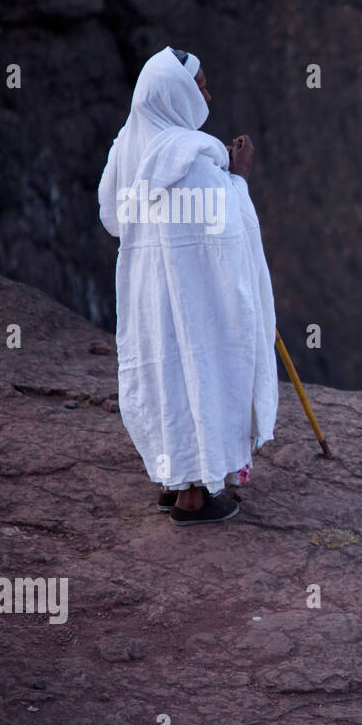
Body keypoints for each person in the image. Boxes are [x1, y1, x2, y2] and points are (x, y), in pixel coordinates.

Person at [97, 47, 278, 525]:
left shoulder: (127, 146)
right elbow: (224, 232)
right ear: (175, 93)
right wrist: (238, 180)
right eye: (200, 86)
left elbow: (113, 218)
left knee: (162, 376)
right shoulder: (191, 159)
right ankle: (194, 498)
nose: (209, 94)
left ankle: (171, 478)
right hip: (191, 296)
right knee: (197, 373)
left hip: (145, 291)